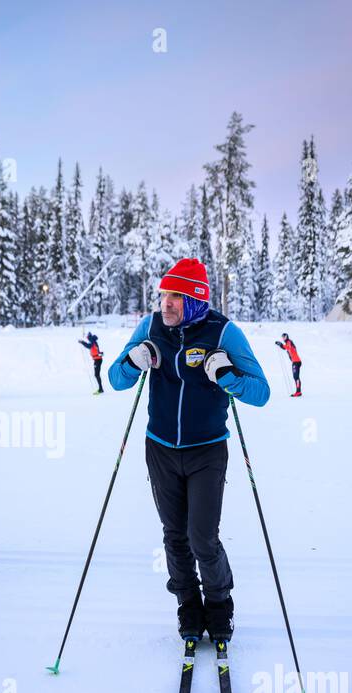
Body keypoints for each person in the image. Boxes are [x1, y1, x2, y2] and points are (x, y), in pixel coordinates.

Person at [108, 257, 269, 641]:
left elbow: (260, 393)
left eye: (176, 297)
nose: (166, 304)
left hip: (207, 450)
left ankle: (219, 605)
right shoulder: (150, 327)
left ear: (195, 299)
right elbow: (116, 380)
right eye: (163, 295)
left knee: (202, 538)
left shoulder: (222, 332)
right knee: (174, 536)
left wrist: (228, 376)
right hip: (160, 448)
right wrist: (133, 362)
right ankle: (187, 605)